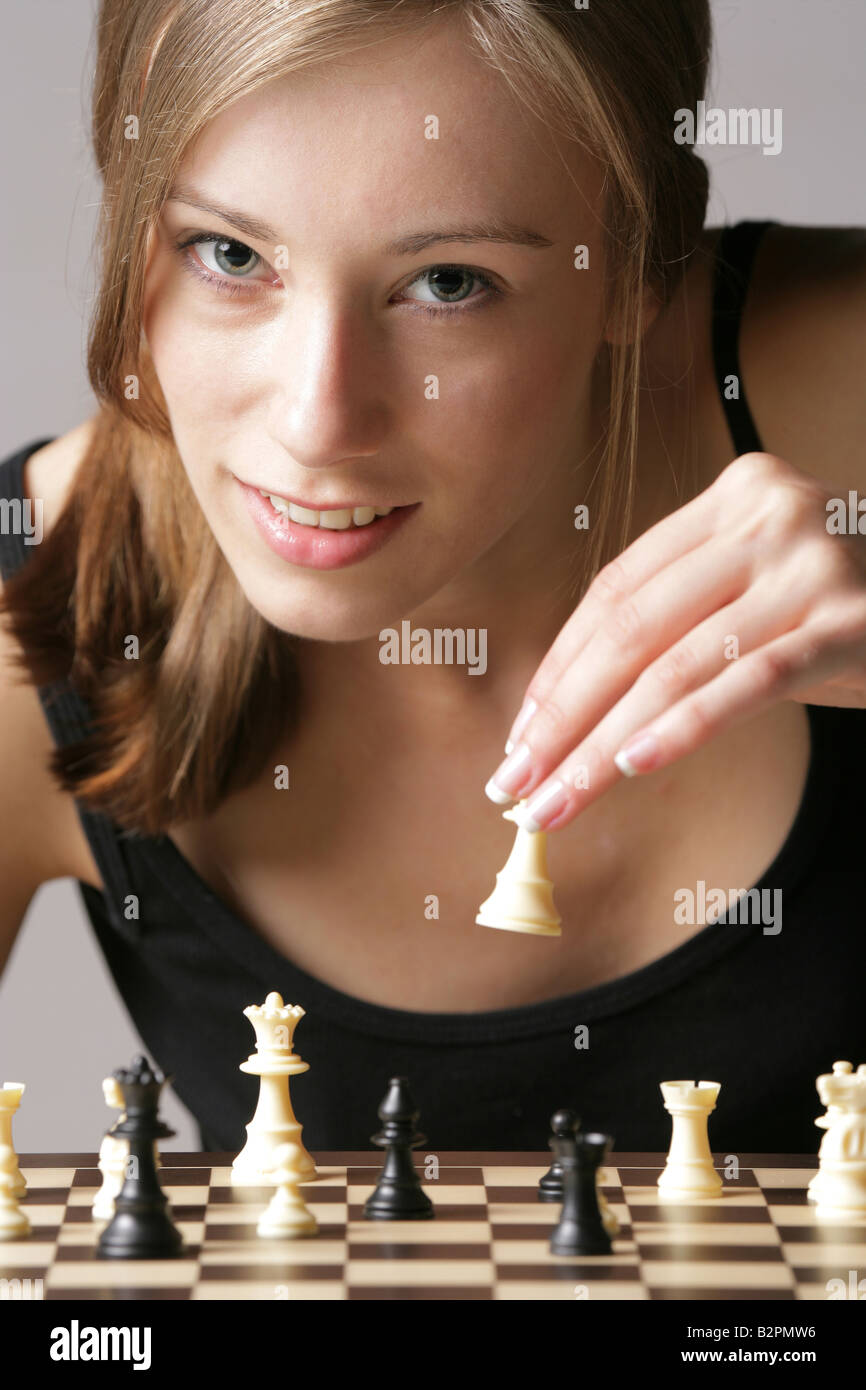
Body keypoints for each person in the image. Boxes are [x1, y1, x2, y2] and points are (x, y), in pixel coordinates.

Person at [1, 0, 864, 1154]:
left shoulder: (840, 385)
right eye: (229, 254)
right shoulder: (40, 609)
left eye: (447, 281)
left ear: (636, 264)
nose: (317, 422)